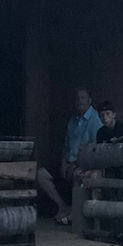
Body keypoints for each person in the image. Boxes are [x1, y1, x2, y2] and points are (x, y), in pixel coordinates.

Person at [37, 87, 103, 224]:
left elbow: (95, 148)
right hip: (68, 162)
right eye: (77, 98)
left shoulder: (95, 119)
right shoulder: (73, 120)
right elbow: (66, 146)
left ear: (90, 100)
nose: (79, 101)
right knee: (41, 174)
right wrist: (63, 163)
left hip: (83, 164)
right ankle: (62, 207)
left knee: (77, 175)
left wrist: (77, 164)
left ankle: (75, 214)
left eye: (83, 98)